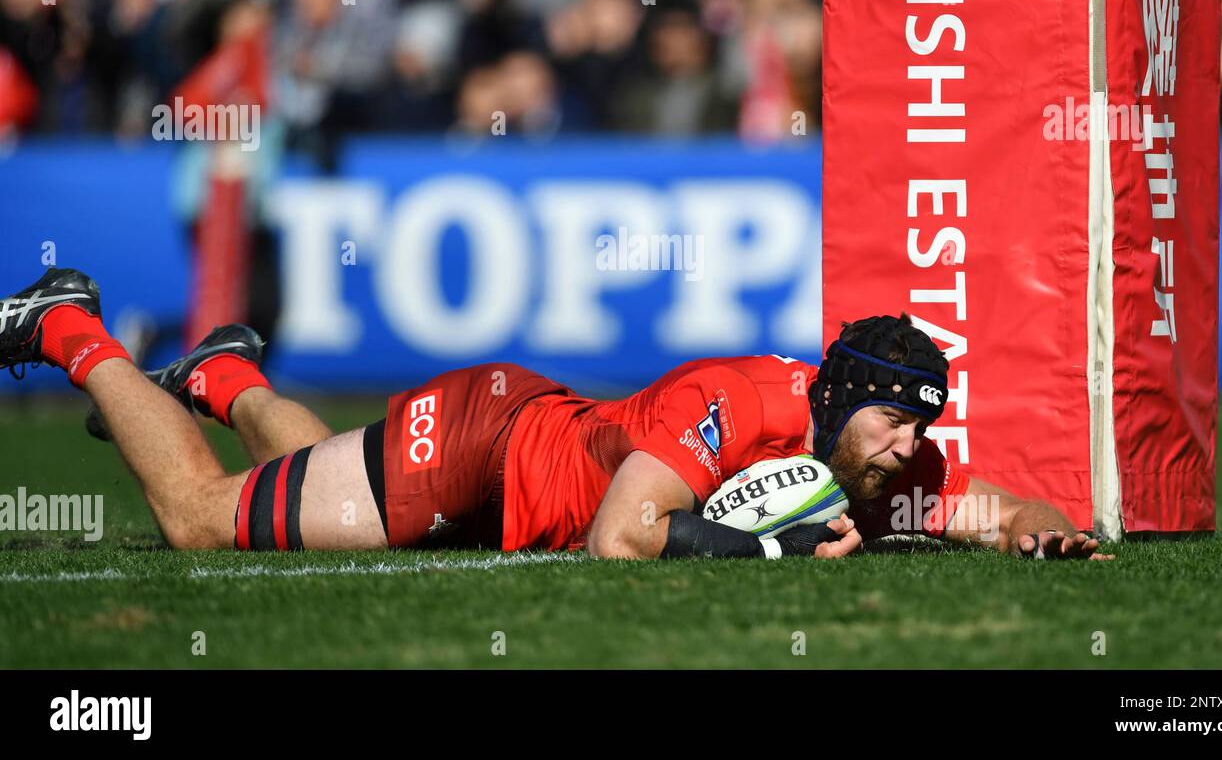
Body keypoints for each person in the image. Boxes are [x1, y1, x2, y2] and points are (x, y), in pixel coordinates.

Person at [0, 268, 1110, 561]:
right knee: (203, 518)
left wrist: (1042, 530)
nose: (910, 449)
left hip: (526, 451)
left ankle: (221, 382)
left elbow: (994, 508)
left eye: (922, 428)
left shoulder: (881, 459)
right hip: (481, 447)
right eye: (895, 423)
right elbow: (619, 537)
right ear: (840, 401)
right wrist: (772, 546)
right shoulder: (733, 401)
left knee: (329, 492)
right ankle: (68, 328)